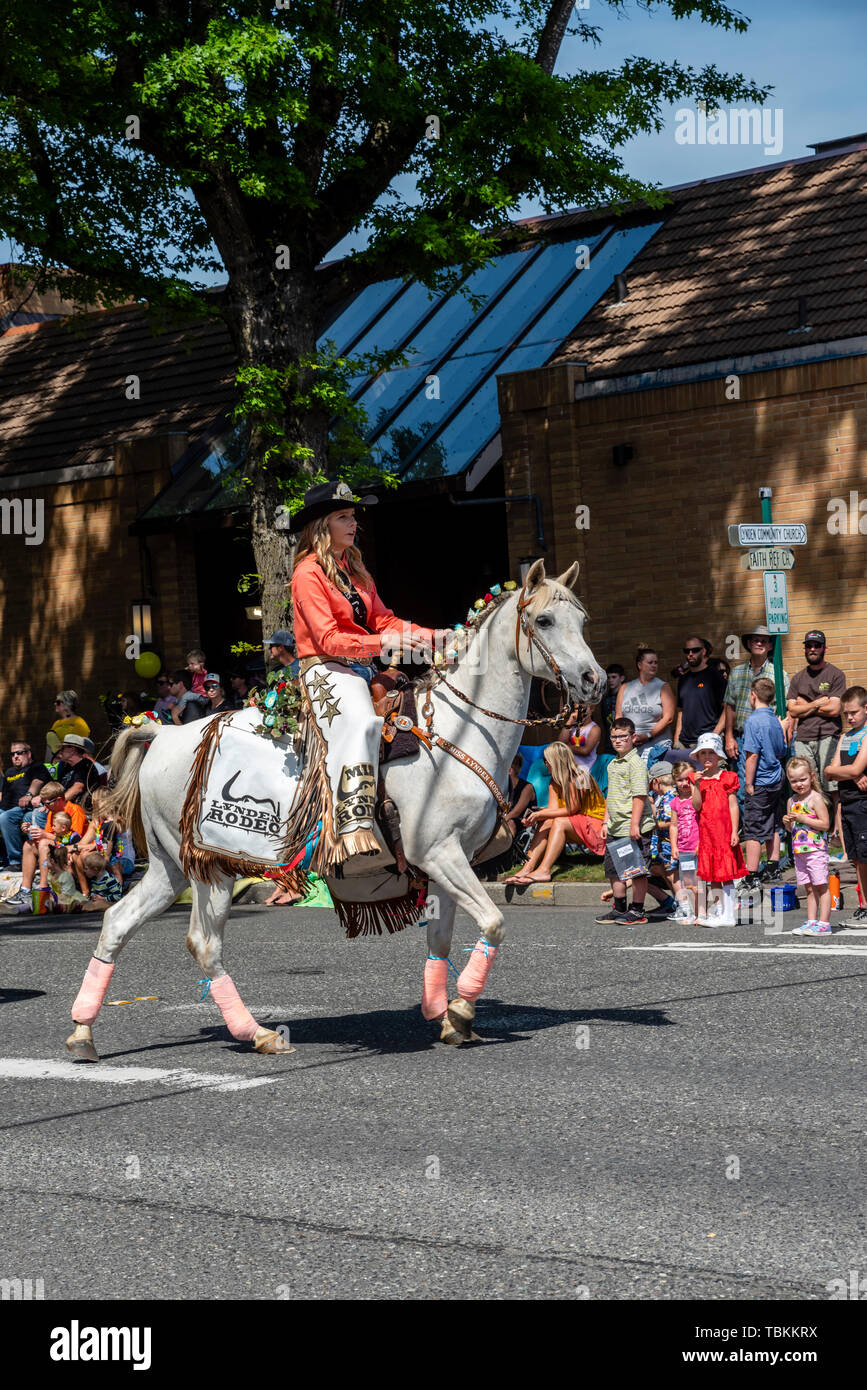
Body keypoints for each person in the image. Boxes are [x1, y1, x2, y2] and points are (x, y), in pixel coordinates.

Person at [289, 480, 450, 863]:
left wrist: (438, 637)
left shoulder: (356, 570)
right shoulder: (307, 573)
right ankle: (353, 825)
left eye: (354, 517)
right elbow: (328, 639)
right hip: (325, 669)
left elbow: (385, 620)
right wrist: (385, 646)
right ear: (320, 526)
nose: (353, 523)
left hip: (362, 668)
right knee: (363, 723)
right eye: (343, 517)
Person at [594, 716, 672, 925]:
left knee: (636, 870)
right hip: (615, 826)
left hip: (634, 825)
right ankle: (619, 908)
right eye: (614, 737)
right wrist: (605, 821)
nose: (618, 740)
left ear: (633, 737)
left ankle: (637, 911)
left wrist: (634, 824)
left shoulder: (636, 764)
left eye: (623, 737)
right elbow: (610, 796)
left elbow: (639, 796)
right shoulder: (613, 764)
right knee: (614, 870)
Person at [510, 743, 606, 883]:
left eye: (546, 761)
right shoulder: (554, 781)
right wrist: (535, 816)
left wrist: (539, 815)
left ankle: (544, 870)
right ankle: (527, 867)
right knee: (547, 820)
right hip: (577, 822)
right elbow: (553, 809)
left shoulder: (581, 776)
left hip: (595, 823)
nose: (545, 764)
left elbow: (573, 808)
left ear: (556, 761)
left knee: (558, 822)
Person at [724, 627, 791, 806]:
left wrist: (786, 733)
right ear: (748, 644)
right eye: (755, 640)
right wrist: (729, 736)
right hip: (743, 739)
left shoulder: (779, 674)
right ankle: (751, 830)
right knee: (745, 789)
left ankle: (770, 830)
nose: (759, 643)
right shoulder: (736, 673)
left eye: (764, 640)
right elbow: (730, 706)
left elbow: (787, 709)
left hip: (769, 740)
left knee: (771, 787)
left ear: (770, 646)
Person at [4, 783, 89, 912]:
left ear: (59, 800)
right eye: (43, 803)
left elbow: (74, 841)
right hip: (57, 847)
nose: (45, 807)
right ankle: (25, 890)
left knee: (43, 843)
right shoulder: (52, 812)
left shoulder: (75, 811)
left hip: (72, 849)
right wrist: (29, 830)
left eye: (47, 803)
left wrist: (44, 835)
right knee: (28, 844)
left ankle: (44, 888)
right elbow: (50, 836)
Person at [690, 732, 746, 927]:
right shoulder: (697, 779)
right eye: (703, 753)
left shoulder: (727, 777)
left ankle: (729, 914)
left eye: (711, 752)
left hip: (723, 833)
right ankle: (719, 911)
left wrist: (734, 831)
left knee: (726, 874)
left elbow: (733, 805)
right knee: (712, 875)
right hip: (707, 834)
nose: (707, 757)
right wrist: (697, 785)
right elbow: (696, 805)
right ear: (697, 757)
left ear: (719, 756)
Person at [786, 631, 846, 802]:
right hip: (803, 738)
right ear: (804, 649)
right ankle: (816, 826)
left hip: (828, 736)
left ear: (824, 648)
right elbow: (792, 711)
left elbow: (834, 709)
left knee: (831, 786)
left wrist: (804, 704)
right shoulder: (798, 678)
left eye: (817, 645)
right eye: (809, 646)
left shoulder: (835, 674)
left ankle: (836, 828)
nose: (812, 649)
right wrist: (816, 703)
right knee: (808, 787)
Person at [825, 686, 867, 926]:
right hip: (848, 802)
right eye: (846, 714)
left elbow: (853, 768)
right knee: (856, 859)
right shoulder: (844, 736)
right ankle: (863, 905)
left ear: (865, 709)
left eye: (854, 712)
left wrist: (846, 772)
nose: (850, 717)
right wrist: (849, 774)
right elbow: (829, 770)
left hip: (862, 804)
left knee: (865, 856)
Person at [741, 677, 787, 890]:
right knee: (773, 821)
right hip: (777, 777)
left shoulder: (753, 720)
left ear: (753, 696)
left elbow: (752, 754)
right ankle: (773, 864)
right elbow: (781, 750)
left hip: (759, 779)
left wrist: (748, 783)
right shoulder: (775, 720)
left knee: (753, 827)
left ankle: (751, 874)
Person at [784, 758, 832, 936]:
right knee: (809, 887)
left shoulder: (815, 798)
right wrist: (787, 822)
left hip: (816, 850)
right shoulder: (791, 800)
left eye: (802, 779)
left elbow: (825, 824)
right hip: (800, 851)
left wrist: (805, 819)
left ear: (811, 777)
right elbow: (792, 829)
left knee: (821, 885)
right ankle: (812, 921)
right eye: (794, 781)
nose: (799, 784)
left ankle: (824, 922)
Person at [616, 647, 675, 765]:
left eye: (656, 662)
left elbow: (668, 718)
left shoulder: (663, 686)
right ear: (639, 665)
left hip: (657, 746)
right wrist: (624, 737)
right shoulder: (625, 688)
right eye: (650, 662)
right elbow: (618, 717)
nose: (654, 665)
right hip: (630, 745)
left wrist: (648, 736)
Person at [0, 741, 51, 870]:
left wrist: (29, 794)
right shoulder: (9, 772)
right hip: (7, 807)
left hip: (25, 807)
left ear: (28, 754)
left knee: (5, 817)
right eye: (12, 754)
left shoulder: (37, 767)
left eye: (19, 753)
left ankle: (16, 861)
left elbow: (37, 782)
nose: (15, 756)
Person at [674, 636, 727, 750]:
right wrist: (676, 740)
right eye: (687, 651)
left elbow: (728, 709)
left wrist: (714, 735)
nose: (690, 654)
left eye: (695, 650)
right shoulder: (683, 679)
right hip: (683, 743)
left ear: (703, 651)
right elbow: (681, 712)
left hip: (708, 741)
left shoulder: (714, 676)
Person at [668, 761, 700, 923]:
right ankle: (691, 912)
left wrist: (701, 843)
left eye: (688, 779)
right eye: (680, 780)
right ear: (675, 781)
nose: (685, 783)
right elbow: (673, 825)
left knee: (699, 882)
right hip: (684, 848)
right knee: (687, 882)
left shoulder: (697, 799)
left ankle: (702, 911)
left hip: (698, 846)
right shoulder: (675, 802)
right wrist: (674, 846)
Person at [55, 736, 104, 807]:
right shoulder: (66, 766)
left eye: (63, 748)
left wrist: (57, 803)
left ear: (72, 750)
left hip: (79, 809)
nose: (60, 751)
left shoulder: (85, 765)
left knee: (39, 814)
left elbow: (78, 788)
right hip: (65, 805)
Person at [557, 706, 601, 777]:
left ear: (592, 709)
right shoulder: (572, 726)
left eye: (584, 708)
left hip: (585, 769)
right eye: (577, 709)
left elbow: (585, 751)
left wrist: (566, 746)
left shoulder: (594, 729)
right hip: (568, 768)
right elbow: (560, 742)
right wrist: (570, 721)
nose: (580, 711)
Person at [47, 690, 90, 758]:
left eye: (58, 702)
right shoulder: (56, 723)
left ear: (67, 704)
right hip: (57, 759)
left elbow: (81, 747)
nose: (55, 704)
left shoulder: (79, 723)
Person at [505, 754, 536, 838]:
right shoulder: (505, 787)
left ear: (510, 771)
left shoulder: (527, 788)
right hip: (507, 819)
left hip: (523, 823)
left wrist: (501, 821)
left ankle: (507, 849)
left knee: (510, 823)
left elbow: (516, 812)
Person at [600, 664, 625, 753]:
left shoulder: (627, 696)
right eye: (609, 677)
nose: (610, 680)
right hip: (610, 740)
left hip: (625, 739)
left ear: (621, 678)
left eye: (614, 677)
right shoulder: (605, 699)